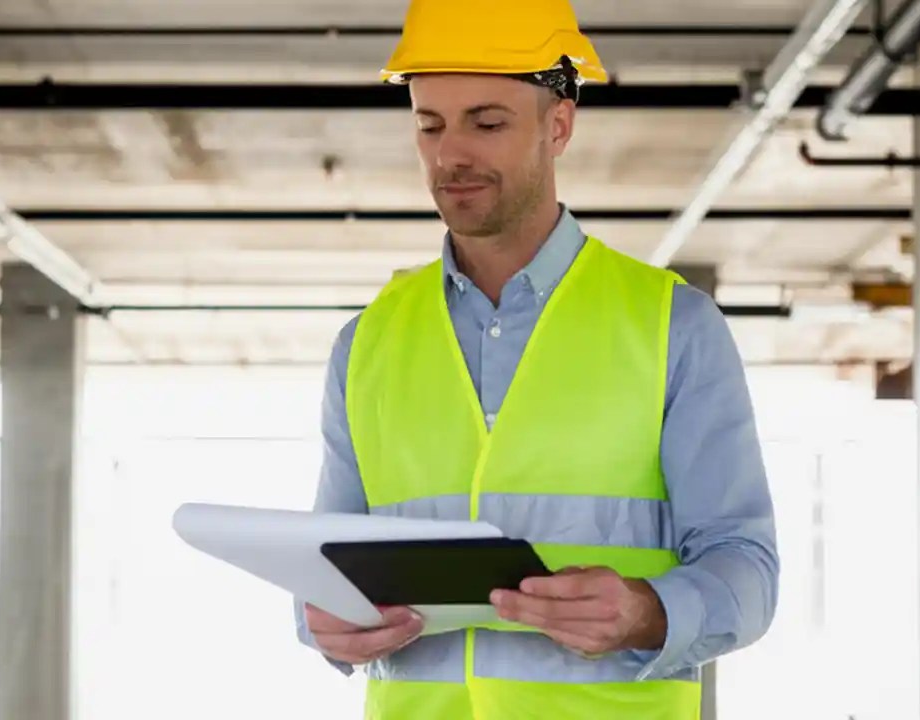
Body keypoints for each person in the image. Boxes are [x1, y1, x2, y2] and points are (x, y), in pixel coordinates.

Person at [294, 1, 779, 717]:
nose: (450, 154)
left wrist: (648, 612)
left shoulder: (673, 327)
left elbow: (748, 570)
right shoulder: (366, 344)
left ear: (559, 125)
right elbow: (327, 571)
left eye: (486, 122)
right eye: (430, 125)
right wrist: (326, 627)